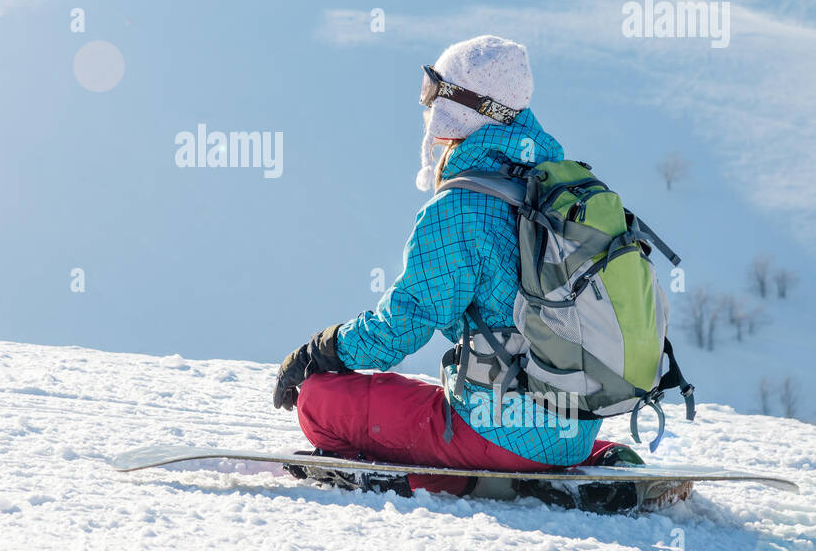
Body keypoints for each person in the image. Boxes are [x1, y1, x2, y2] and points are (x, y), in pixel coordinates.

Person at [272, 35, 636, 499]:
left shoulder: (463, 204)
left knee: (321, 401)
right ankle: (588, 460)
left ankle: (456, 476)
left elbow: (401, 326)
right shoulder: (564, 189)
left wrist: (321, 351)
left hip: (496, 433)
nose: (426, 108)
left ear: (464, 108)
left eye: (433, 91)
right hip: (576, 428)